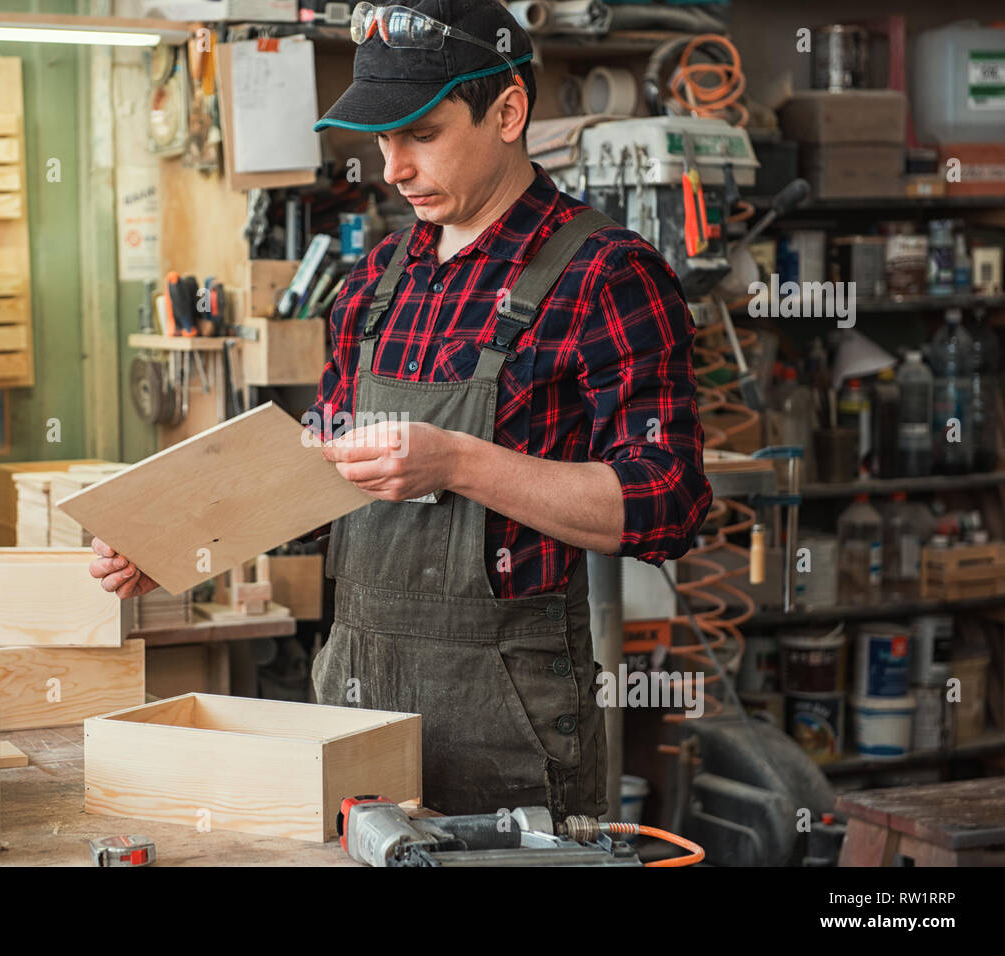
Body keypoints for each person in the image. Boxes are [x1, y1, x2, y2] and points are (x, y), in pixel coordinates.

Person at [92, 0, 711, 822]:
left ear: (508, 112)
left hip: (511, 728)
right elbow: (319, 485)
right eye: (383, 140)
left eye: (421, 134)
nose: (393, 168)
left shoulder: (605, 274)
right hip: (353, 706)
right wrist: (166, 540)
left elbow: (666, 503)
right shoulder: (377, 283)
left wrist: (459, 462)